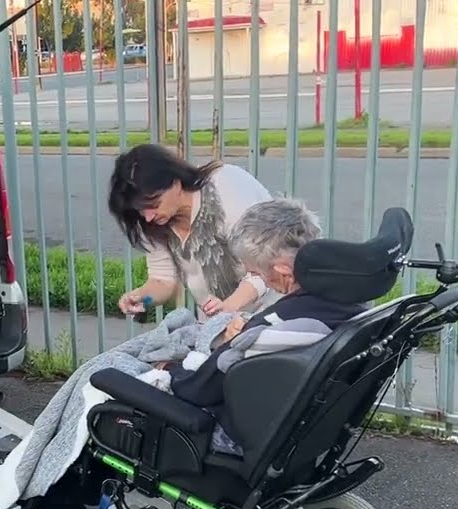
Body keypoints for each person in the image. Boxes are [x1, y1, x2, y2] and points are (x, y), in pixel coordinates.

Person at [157, 197, 368, 453]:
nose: (262, 282)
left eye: (256, 273)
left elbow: (199, 390)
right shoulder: (349, 303)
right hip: (307, 426)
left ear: (282, 272)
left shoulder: (274, 324)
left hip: (240, 435)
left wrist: (171, 370)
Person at [107, 144, 278, 320]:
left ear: (176, 182)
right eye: (141, 210)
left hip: (274, 315)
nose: (148, 217)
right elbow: (163, 281)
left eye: (154, 204)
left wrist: (229, 307)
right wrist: (142, 297)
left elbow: (267, 266)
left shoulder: (226, 188)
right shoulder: (151, 221)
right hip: (220, 326)